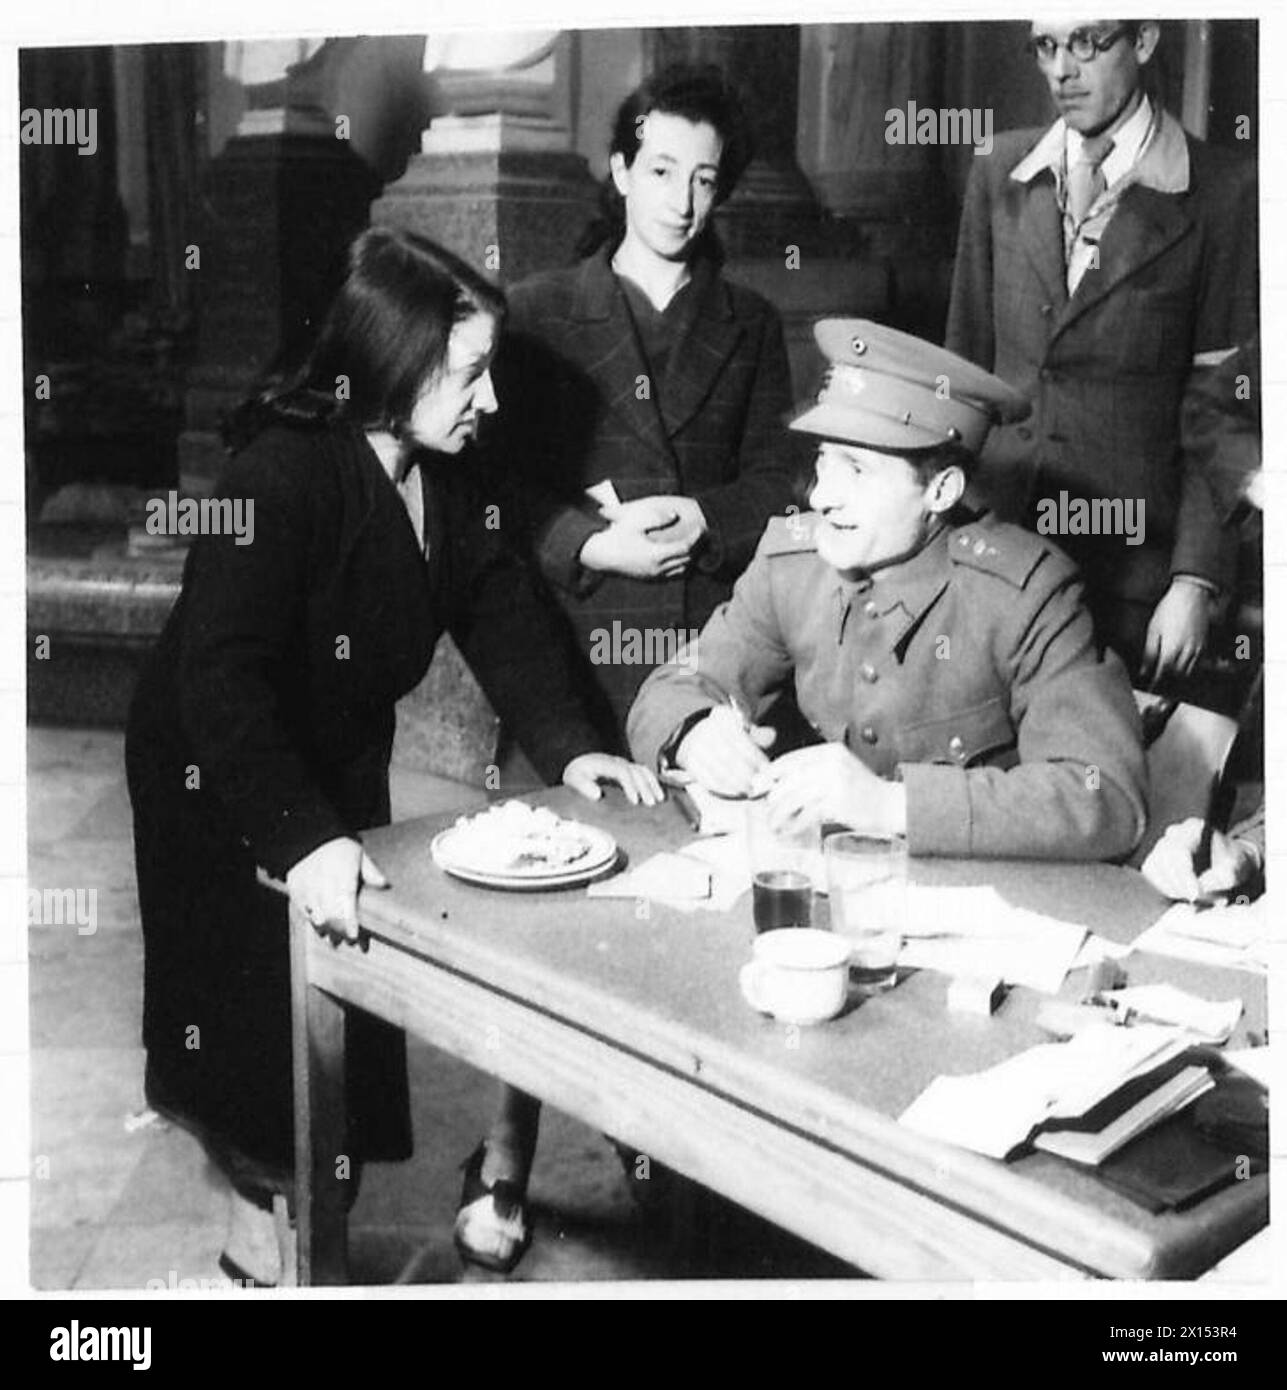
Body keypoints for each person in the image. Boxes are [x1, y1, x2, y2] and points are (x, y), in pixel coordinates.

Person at [125, 227, 661, 1288]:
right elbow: (220, 684)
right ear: (394, 361)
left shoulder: (444, 474)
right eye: (469, 373)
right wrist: (301, 835)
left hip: (329, 773)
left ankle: (293, 1254)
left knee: (333, 1083)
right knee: (257, 1085)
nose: (492, 400)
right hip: (222, 785)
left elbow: (503, 608)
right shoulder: (275, 479)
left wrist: (575, 753)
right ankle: (256, 1269)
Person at [460, 63, 805, 1272]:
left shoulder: (752, 323)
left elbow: (778, 481)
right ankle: (502, 1158)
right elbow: (490, 483)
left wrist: (699, 521)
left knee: (684, 908)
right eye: (660, 169)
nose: (682, 198)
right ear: (618, 169)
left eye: (706, 178)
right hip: (569, 644)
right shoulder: (543, 309)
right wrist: (585, 537)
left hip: (700, 649)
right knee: (546, 910)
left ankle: (666, 1159)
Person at [627, 319, 1148, 863]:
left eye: (857, 470)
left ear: (942, 491)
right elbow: (675, 685)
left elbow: (1105, 795)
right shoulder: (795, 564)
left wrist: (888, 805)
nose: (823, 496)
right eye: (823, 462)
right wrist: (695, 730)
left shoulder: (1027, 594)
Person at [945, 18, 1257, 689]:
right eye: (1046, 47)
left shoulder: (1226, 190)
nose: (1061, 70)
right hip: (993, 551)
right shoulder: (997, 166)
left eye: (1086, 42)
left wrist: (1194, 581)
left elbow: (1221, 408)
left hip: (1129, 578)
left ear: (1142, 41)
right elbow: (962, 366)